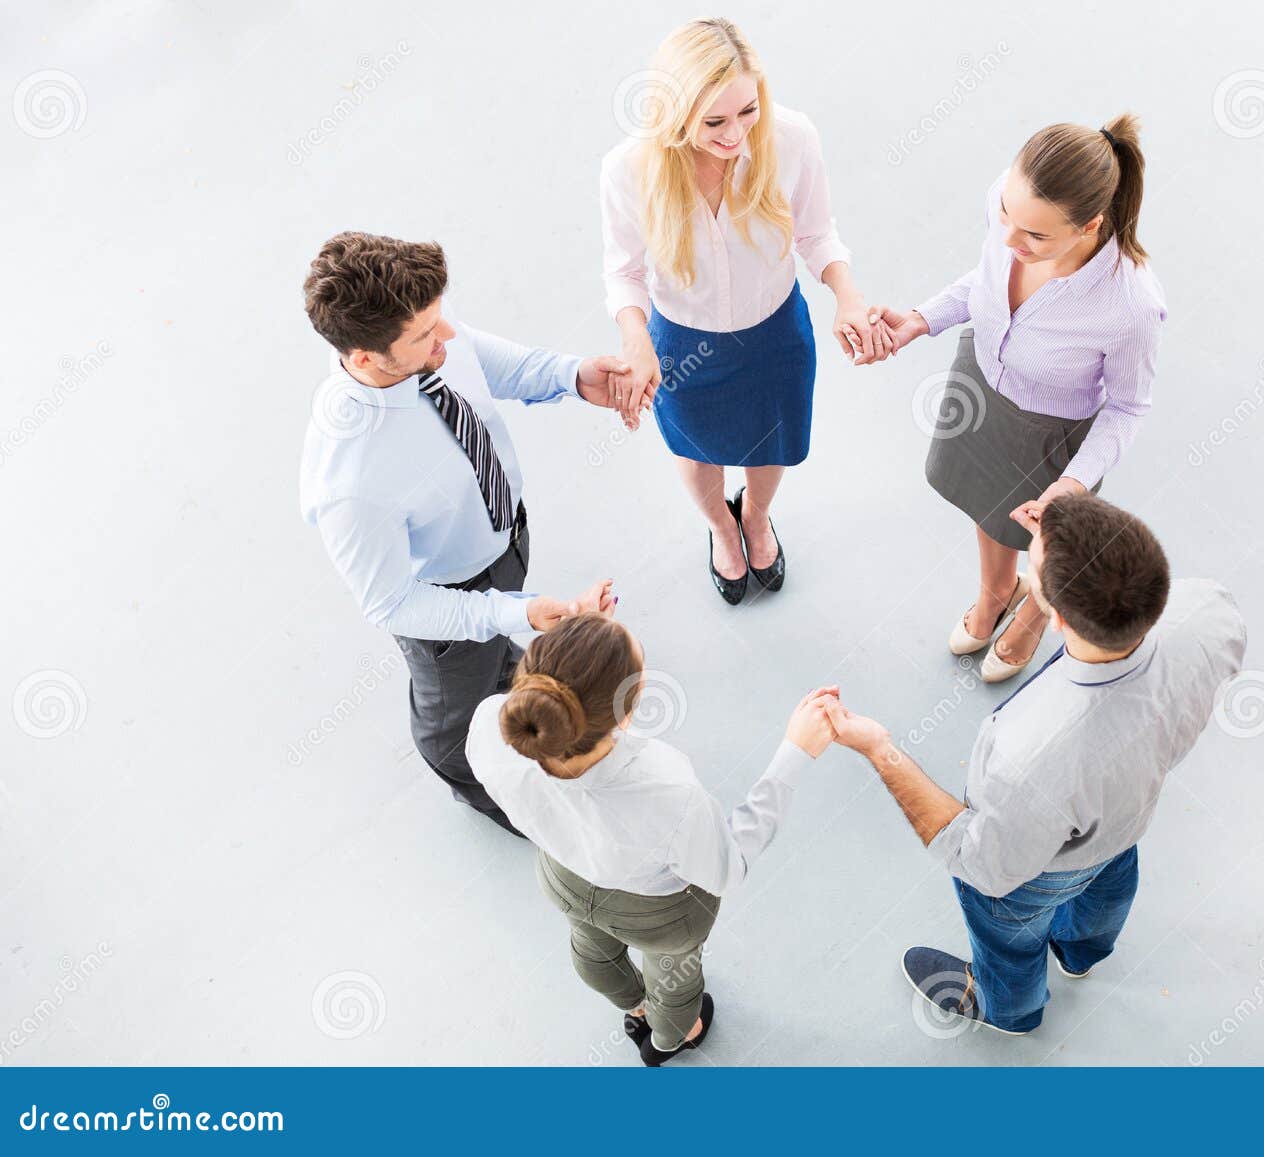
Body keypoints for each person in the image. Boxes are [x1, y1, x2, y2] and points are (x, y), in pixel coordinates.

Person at [819, 494, 1246, 1036]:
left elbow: (984, 866)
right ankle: (1081, 953)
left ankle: (1011, 1010)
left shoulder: (1033, 752)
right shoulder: (1208, 607)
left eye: (1033, 563)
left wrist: (880, 750)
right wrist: (1071, 538)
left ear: (1056, 617)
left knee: (1007, 932)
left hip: (1043, 869)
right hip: (1126, 819)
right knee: (1110, 880)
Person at [299, 231, 624, 836]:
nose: (447, 336)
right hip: (448, 602)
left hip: (503, 541)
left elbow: (495, 363)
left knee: (504, 657)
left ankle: (508, 671)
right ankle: (503, 797)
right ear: (366, 357)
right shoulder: (350, 481)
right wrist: (509, 613)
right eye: (425, 334)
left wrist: (575, 377)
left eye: (440, 319)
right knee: (453, 725)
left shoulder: (426, 338)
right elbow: (392, 602)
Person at [601, 17, 893, 605]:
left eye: (748, 111)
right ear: (676, 113)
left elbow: (817, 234)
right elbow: (624, 271)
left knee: (771, 440)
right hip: (680, 341)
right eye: (714, 121)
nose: (736, 134)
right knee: (695, 448)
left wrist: (849, 296)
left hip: (774, 332)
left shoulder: (792, 137)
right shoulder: (628, 168)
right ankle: (720, 528)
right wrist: (636, 341)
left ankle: (756, 518)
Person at [465, 613, 836, 1064]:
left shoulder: (490, 724)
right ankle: (669, 1038)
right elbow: (727, 869)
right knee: (673, 975)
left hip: (563, 876)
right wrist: (794, 754)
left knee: (590, 946)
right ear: (628, 710)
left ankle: (632, 1006)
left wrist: (586, 650)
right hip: (656, 912)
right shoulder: (666, 789)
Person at [879, 116, 1167, 682]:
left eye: (1035, 237)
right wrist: (921, 319)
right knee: (987, 508)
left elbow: (1128, 408)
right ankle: (996, 593)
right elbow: (983, 282)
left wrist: (1073, 482)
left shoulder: (1130, 304)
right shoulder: (1010, 207)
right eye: (1006, 215)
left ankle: (1035, 611)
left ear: (1090, 226)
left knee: (1042, 536)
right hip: (982, 383)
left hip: (1050, 433)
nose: (1010, 238)